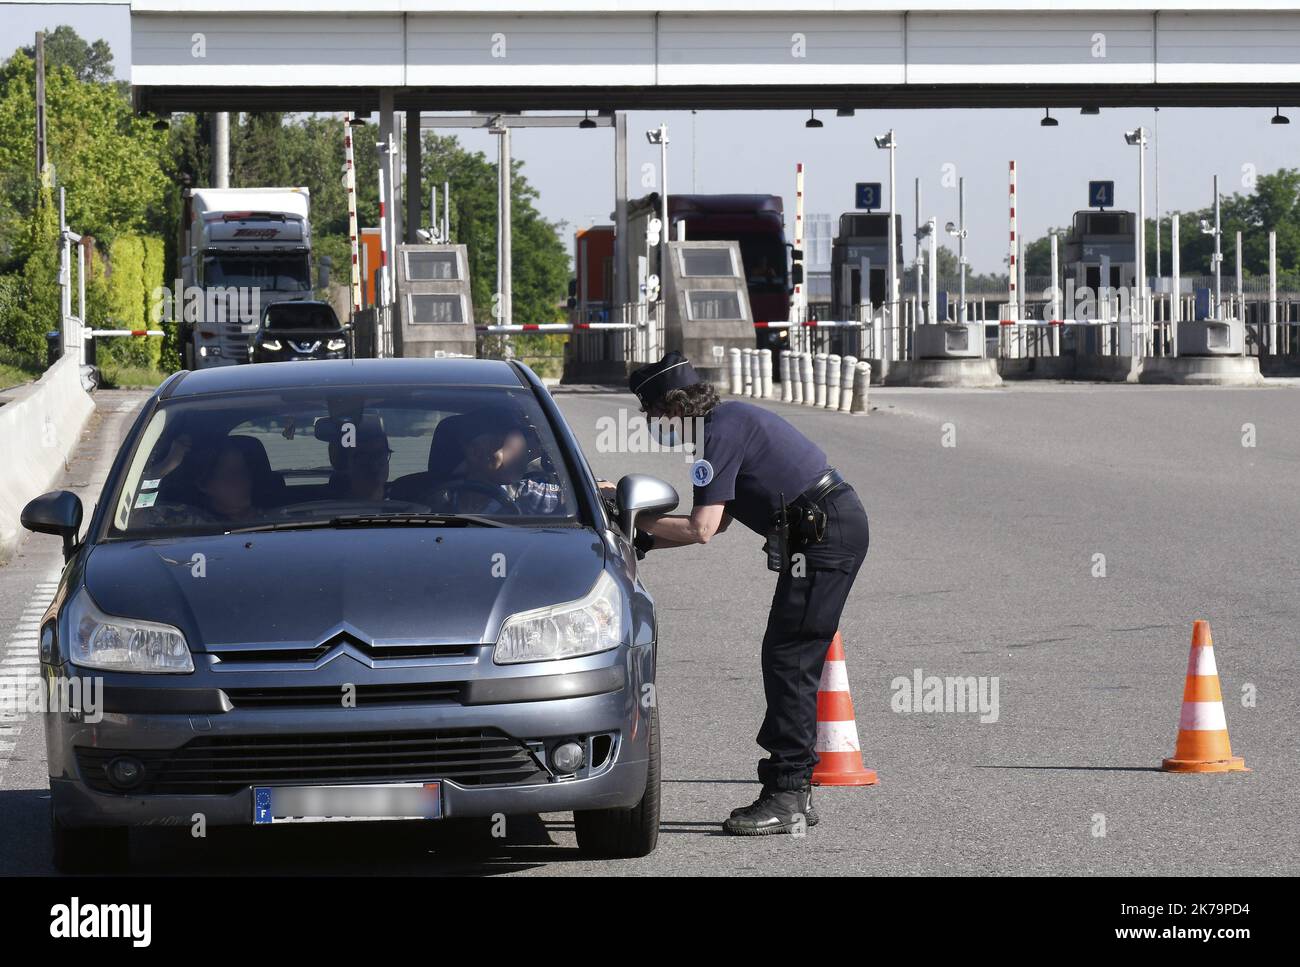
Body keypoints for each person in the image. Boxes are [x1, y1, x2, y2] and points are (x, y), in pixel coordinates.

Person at [629, 351, 871, 836]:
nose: (653, 426)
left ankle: (786, 793)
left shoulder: (718, 432)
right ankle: (794, 791)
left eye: (653, 415)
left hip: (825, 533)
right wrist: (646, 536)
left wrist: (631, 519)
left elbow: (701, 528)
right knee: (789, 654)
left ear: (674, 408)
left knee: (790, 657)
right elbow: (719, 524)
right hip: (823, 530)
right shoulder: (725, 424)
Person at [432, 407, 562, 516]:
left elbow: (571, 502)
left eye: (523, 451)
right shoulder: (436, 498)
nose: (520, 458)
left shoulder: (527, 495)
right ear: (475, 453)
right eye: (509, 448)